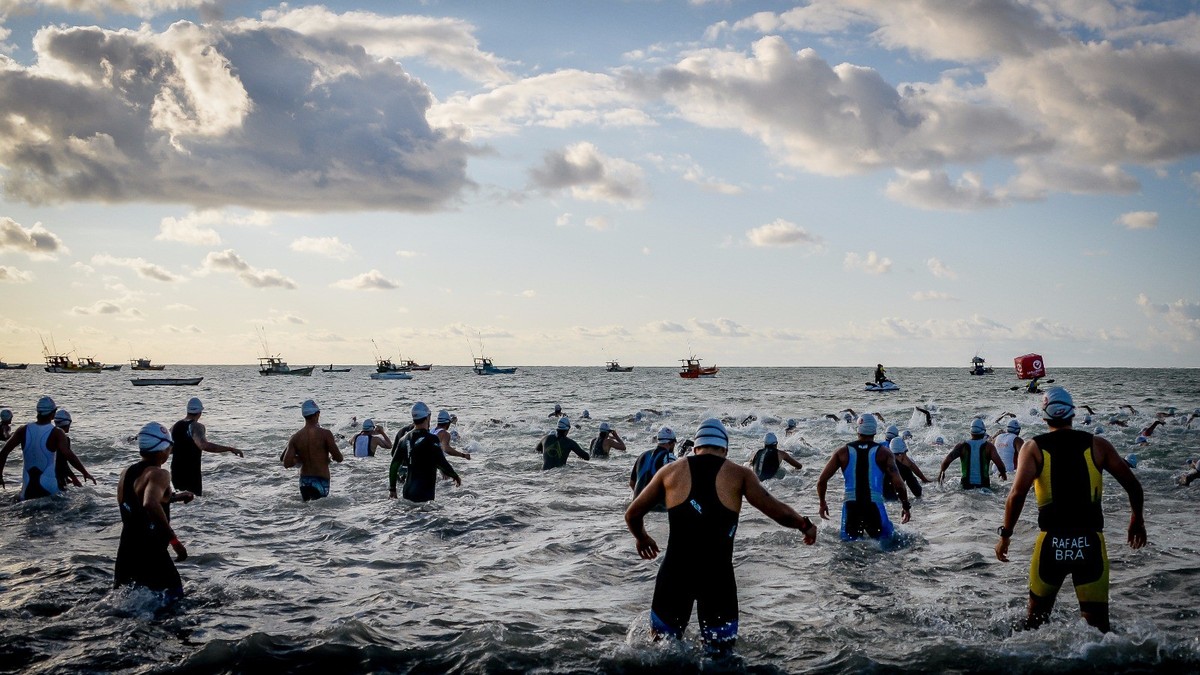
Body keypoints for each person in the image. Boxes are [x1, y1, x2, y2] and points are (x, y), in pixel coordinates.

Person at [625, 418, 817, 654]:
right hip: (717, 578)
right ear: (724, 448)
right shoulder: (739, 474)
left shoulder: (670, 471)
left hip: (675, 574)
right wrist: (804, 525)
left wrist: (642, 538)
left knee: (660, 651)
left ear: (695, 448)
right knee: (721, 657)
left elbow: (633, 513)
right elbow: (775, 509)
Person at [994, 387, 1147, 633]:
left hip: (1051, 544)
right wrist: (1136, 520)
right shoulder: (1098, 445)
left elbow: (1017, 495)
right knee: (1099, 631)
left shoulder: (1033, 447)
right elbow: (1133, 485)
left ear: (1044, 417)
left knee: (1034, 623)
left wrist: (1005, 536)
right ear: (1073, 413)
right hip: (1090, 544)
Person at [114, 422, 194, 600]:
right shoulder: (160, 474)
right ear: (161, 450)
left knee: (124, 607)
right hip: (151, 553)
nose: (170, 450)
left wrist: (173, 497)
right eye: (169, 446)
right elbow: (149, 503)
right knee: (174, 605)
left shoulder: (126, 472)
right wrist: (175, 542)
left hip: (126, 552)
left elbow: (133, 501)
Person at [816, 415, 911, 541]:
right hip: (873, 505)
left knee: (848, 548)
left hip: (850, 506)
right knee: (887, 543)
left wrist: (822, 503)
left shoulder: (842, 452)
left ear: (858, 430)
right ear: (875, 431)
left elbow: (821, 481)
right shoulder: (884, 453)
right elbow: (898, 484)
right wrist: (905, 506)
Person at [0, 396, 94, 500]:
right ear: (53, 414)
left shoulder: (22, 430)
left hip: (27, 490)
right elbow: (69, 455)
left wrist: (0, 475)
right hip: (49, 488)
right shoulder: (57, 433)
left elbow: (3, 453)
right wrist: (85, 473)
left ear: (38, 412)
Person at [171, 397, 244, 496]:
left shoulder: (175, 426)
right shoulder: (197, 426)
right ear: (200, 412)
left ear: (187, 410)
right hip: (191, 472)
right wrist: (230, 449)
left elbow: (168, 448)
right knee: (194, 502)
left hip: (175, 471)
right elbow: (203, 445)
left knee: (180, 500)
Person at [391, 402, 461, 502]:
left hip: (407, 493)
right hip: (424, 494)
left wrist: (392, 489)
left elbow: (394, 465)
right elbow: (440, 462)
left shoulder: (404, 439)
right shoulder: (431, 439)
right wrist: (454, 475)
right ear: (427, 417)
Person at [281, 399, 343, 502]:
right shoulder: (326, 434)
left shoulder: (295, 437)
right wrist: (330, 458)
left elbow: (286, 463)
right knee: (320, 514)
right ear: (317, 414)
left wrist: (300, 459)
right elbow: (339, 458)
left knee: (307, 512)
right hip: (321, 480)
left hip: (304, 482)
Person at [938, 419, 1008, 489]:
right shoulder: (989, 447)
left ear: (971, 432)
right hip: (984, 486)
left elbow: (946, 461)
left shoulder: (962, 446)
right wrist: (1003, 475)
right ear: (983, 432)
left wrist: (942, 472)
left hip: (966, 486)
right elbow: (1000, 465)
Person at [630, 427, 677, 504]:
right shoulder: (669, 457)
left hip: (637, 504)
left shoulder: (643, 455)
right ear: (671, 443)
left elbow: (632, 483)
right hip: (657, 508)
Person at [882, 436, 928, 500]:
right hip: (893, 502)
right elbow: (917, 492)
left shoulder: (881, 461)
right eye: (905, 453)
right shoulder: (904, 468)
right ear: (901, 454)